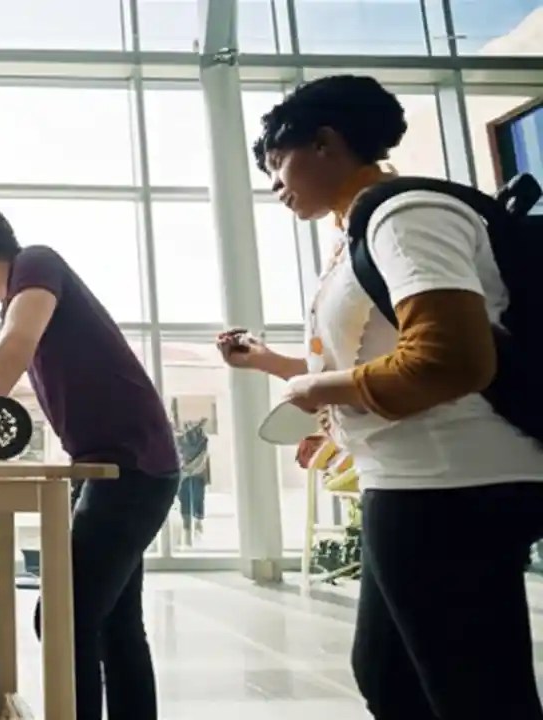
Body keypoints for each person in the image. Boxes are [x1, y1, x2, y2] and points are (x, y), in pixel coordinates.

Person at [232, 74, 543, 719]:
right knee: (390, 676)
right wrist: (307, 389)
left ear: (325, 143)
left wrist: (318, 388)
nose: (274, 184)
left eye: (278, 162)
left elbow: (449, 359)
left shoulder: (405, 216)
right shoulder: (363, 230)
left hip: (453, 484)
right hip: (416, 479)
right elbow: (378, 359)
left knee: (475, 695)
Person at [0, 205, 180, 720]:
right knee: (114, 622)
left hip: (130, 466)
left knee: (63, 617)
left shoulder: (35, 263)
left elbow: (16, 346)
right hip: (118, 465)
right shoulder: (21, 296)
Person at [174, 419, 209, 544]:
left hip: (194, 475)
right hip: (187, 475)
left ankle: (196, 528)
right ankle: (188, 531)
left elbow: (201, 458)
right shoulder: (179, 440)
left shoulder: (203, 441)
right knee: (186, 501)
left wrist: (186, 470)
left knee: (196, 499)